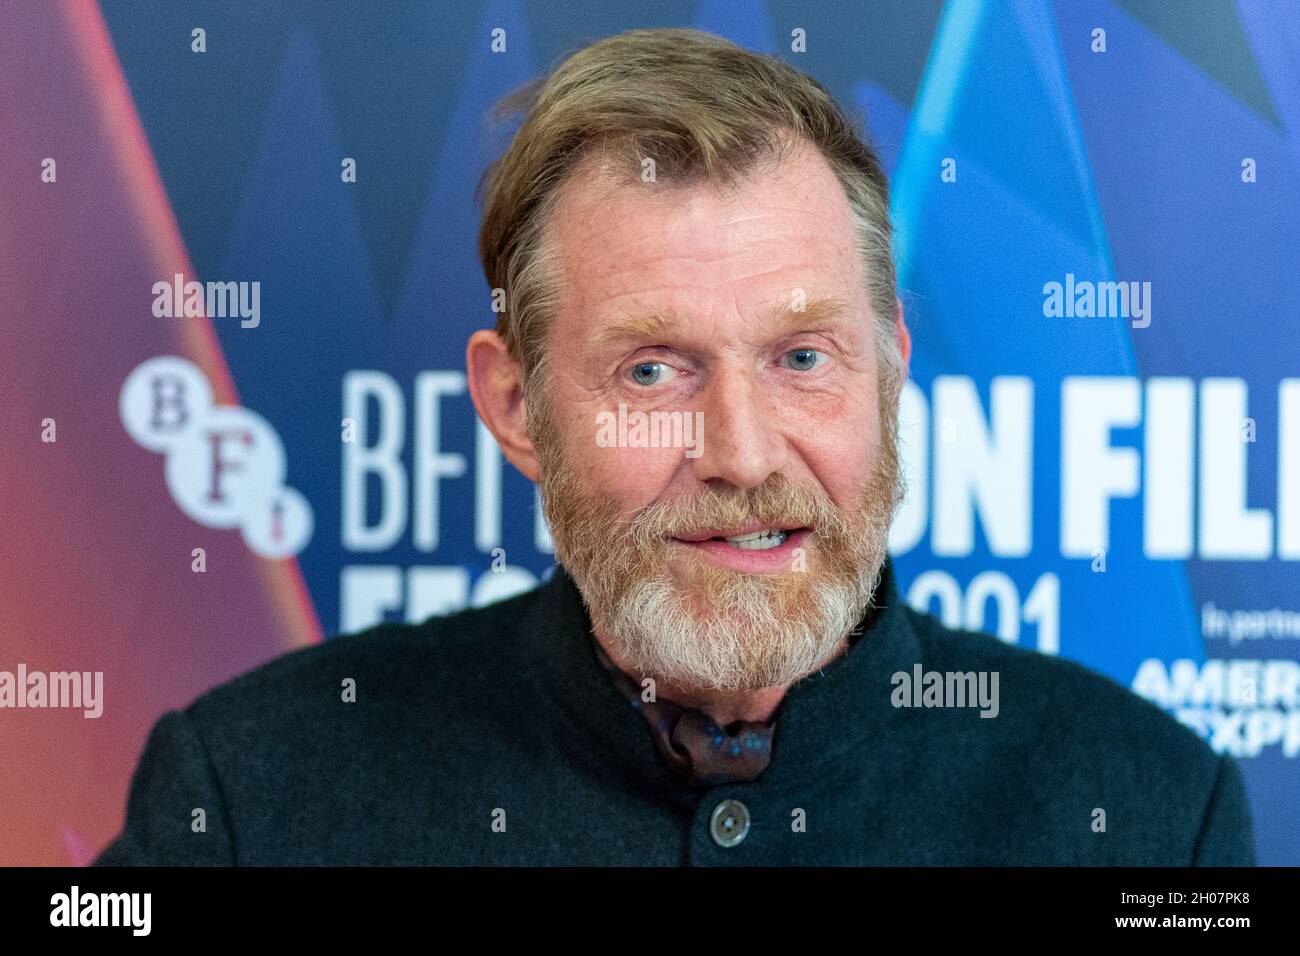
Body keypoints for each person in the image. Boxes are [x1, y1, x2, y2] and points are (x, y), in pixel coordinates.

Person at [95, 27, 1254, 866]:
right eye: (653, 370)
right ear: (513, 407)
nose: (742, 454)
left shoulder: (1151, 811)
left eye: (802, 357)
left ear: (889, 369)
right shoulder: (249, 792)